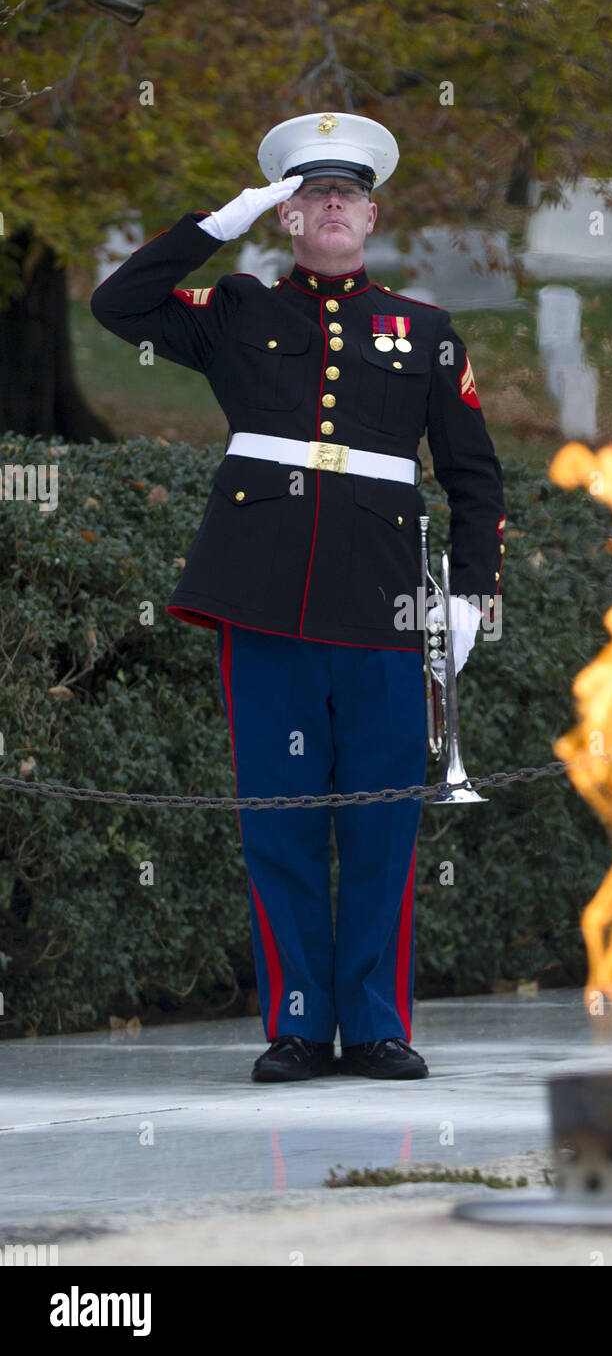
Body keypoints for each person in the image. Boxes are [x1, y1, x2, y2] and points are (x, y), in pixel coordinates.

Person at [90, 112, 506, 1083]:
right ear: (286, 215)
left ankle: (373, 1025)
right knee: (277, 819)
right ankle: (294, 1020)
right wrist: (219, 219)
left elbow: (474, 479)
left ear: (371, 213)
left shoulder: (428, 334)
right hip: (261, 599)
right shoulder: (236, 310)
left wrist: (471, 599)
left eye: (346, 194)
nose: (330, 206)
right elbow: (119, 302)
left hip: (384, 606)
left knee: (380, 822)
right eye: (310, 193)